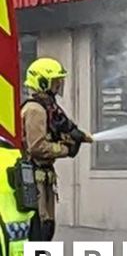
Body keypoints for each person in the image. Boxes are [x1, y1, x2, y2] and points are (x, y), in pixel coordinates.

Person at [21, 58, 91, 241]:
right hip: (34, 178)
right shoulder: (35, 110)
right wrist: (66, 149)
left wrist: (76, 136)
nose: (59, 84)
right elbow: (37, 147)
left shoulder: (49, 109)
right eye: (55, 80)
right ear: (42, 81)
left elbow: (57, 129)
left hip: (44, 177)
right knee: (40, 228)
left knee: (47, 227)